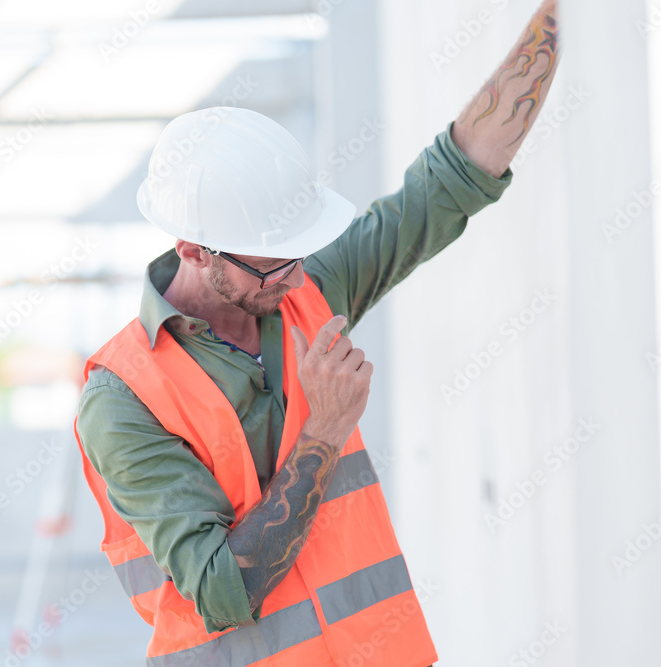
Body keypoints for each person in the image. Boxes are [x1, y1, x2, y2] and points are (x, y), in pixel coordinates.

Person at [74, 1, 559, 664]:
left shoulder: (299, 294)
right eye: (274, 262)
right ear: (195, 249)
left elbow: (441, 187)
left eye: (302, 252)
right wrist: (325, 429)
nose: (297, 275)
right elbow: (224, 591)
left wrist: (553, 31)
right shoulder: (123, 398)